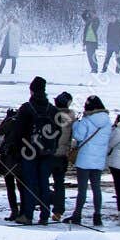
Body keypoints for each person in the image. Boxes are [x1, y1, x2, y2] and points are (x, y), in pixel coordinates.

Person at [9, 77, 57, 225]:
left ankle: (28, 215)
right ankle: (44, 215)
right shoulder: (52, 109)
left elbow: (17, 132)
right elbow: (58, 131)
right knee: (44, 183)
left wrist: (16, 150)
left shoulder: (26, 108)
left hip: (28, 152)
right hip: (47, 152)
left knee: (29, 184)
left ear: (31, 90)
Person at [67, 96, 110, 227]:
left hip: (84, 159)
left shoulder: (86, 120)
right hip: (98, 160)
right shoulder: (107, 121)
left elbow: (78, 136)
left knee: (82, 189)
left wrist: (76, 123)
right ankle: (97, 216)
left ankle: (77, 215)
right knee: (97, 188)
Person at [48, 92, 75, 220]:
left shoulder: (51, 115)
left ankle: (45, 204)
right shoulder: (71, 117)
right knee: (59, 183)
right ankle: (58, 211)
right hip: (63, 154)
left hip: (49, 153)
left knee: (42, 182)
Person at [81, 10, 101, 75]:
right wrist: (86, 11)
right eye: (91, 14)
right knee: (89, 56)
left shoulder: (96, 21)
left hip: (93, 41)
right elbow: (83, 16)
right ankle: (93, 68)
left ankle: (95, 68)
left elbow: (95, 26)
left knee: (92, 55)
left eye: (93, 14)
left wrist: (93, 19)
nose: (92, 15)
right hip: (87, 40)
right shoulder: (88, 21)